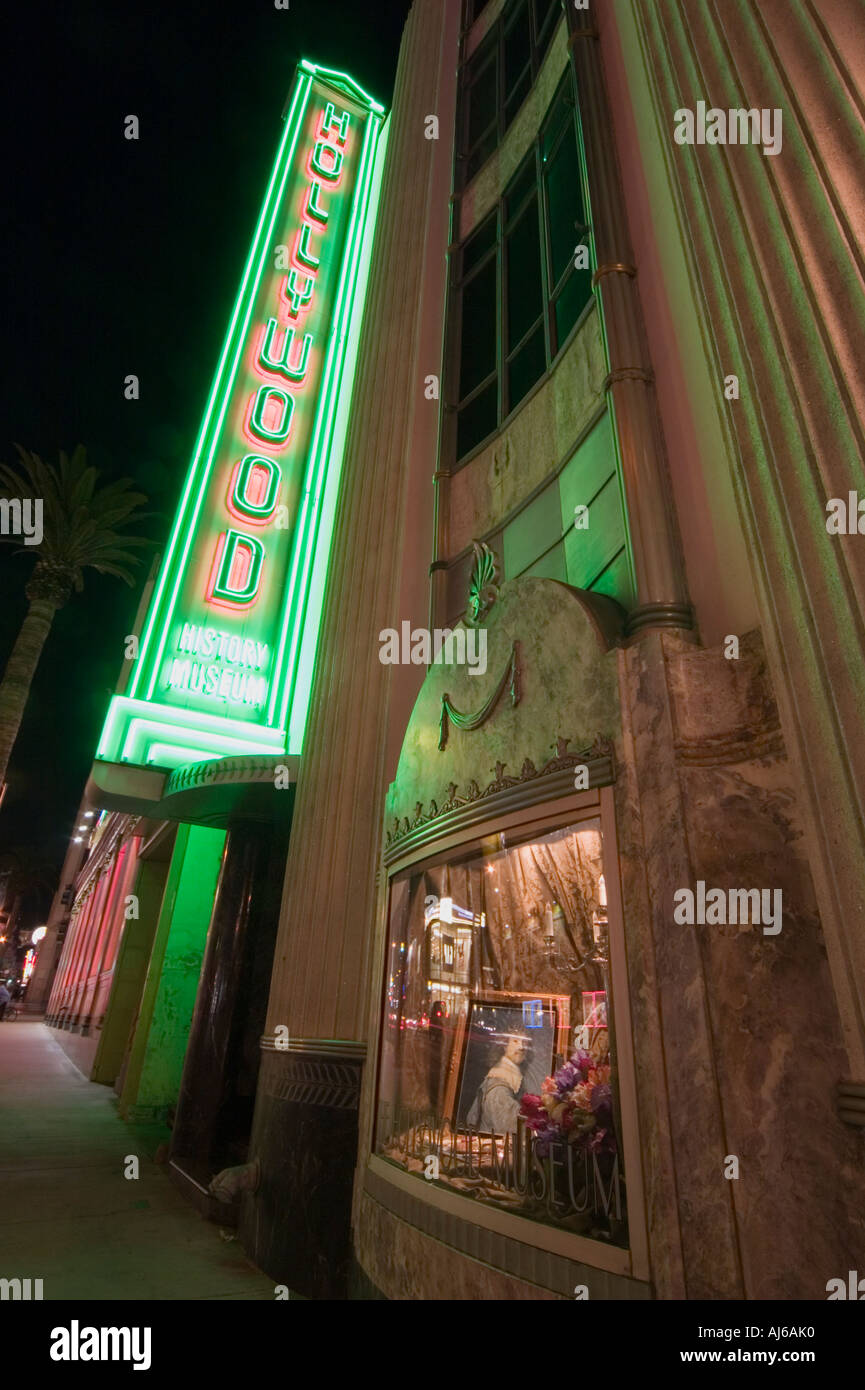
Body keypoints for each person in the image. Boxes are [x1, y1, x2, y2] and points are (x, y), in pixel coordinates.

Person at [467, 1032, 529, 1133]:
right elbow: (510, 1129)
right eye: (515, 1041)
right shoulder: (499, 1085)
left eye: (525, 1042)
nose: (522, 1047)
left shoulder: (510, 1077)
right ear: (504, 1046)